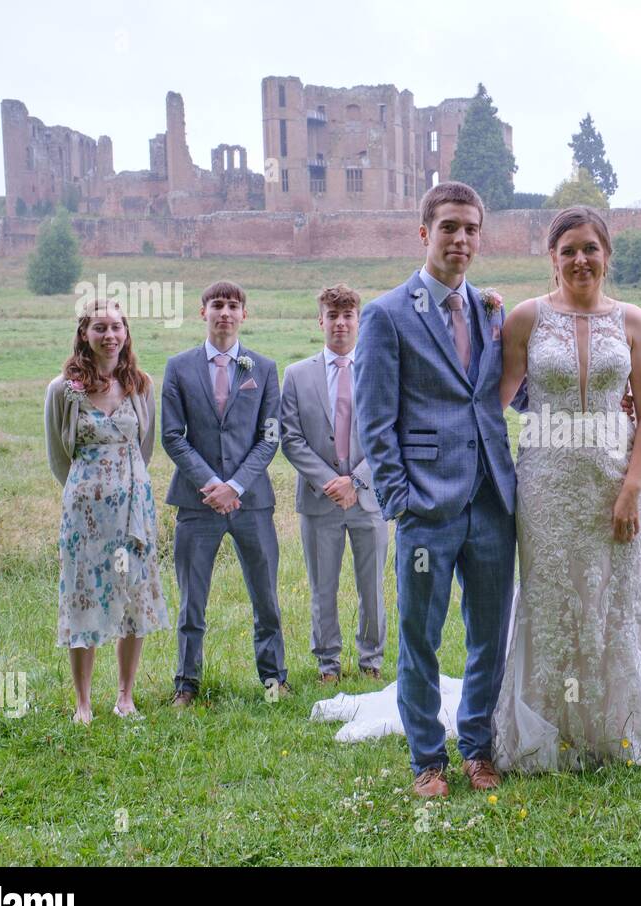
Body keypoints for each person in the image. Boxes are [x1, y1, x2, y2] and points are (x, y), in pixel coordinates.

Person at [491, 206, 641, 772]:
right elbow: (492, 402)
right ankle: (552, 725)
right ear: (551, 258)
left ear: (606, 256)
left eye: (590, 248)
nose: (580, 259)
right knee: (551, 600)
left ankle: (617, 725)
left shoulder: (632, 321)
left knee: (616, 603)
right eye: (568, 249)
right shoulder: (525, 319)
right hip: (545, 484)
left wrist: (632, 487)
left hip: (615, 480)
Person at [353, 182, 517, 798]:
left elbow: (500, 392)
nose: (462, 239)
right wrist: (401, 502)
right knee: (420, 636)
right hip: (427, 505)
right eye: (449, 227)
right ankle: (428, 757)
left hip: (493, 501)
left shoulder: (491, 311)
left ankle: (475, 745)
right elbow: (374, 423)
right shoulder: (388, 314)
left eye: (472, 229)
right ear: (425, 233)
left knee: (488, 634)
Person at [160, 281, 289, 706]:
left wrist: (234, 485)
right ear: (203, 312)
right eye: (217, 305)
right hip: (197, 503)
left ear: (244, 314)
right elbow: (173, 436)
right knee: (192, 599)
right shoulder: (179, 367)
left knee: (265, 596)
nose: (225, 312)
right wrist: (210, 484)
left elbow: (270, 437)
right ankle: (186, 684)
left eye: (233, 305)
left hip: (251, 501)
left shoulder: (264, 369)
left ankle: (273, 679)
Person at [45, 299, 167, 723]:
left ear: (126, 332)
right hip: (83, 512)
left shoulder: (141, 385)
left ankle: (125, 695)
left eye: (117, 326)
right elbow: (59, 456)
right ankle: (82, 702)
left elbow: (144, 447)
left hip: (134, 508)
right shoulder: (63, 390)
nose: (109, 335)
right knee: (84, 596)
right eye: (100, 328)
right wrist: (88, 492)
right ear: (84, 334)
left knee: (131, 596)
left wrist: (125, 487)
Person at [280, 283, 389, 684]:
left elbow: (388, 432)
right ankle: (327, 664)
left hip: (370, 499)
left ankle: (371, 661)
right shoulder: (296, 375)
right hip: (318, 500)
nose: (340, 324)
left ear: (358, 320)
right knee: (322, 587)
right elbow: (290, 438)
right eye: (332, 316)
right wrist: (331, 481)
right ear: (319, 320)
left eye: (347, 316)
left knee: (372, 586)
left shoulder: (379, 371)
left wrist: (356, 480)